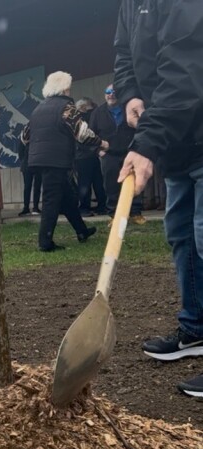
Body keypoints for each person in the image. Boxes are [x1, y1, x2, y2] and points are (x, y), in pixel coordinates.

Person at [114, 0, 203, 398]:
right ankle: (195, 329)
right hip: (179, 145)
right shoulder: (130, 3)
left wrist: (148, 141)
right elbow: (123, 51)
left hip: (194, 126)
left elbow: (186, 68)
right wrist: (131, 92)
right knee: (181, 233)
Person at [21, 71, 107, 252]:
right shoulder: (67, 108)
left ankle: (82, 231)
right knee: (52, 200)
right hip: (56, 160)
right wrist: (102, 143)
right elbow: (82, 133)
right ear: (66, 89)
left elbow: (24, 137)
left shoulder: (38, 109)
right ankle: (45, 243)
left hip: (38, 160)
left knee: (67, 197)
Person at [88, 84, 145, 224]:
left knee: (134, 182)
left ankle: (135, 212)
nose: (111, 95)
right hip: (109, 155)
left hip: (130, 152)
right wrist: (97, 150)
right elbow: (90, 134)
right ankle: (114, 215)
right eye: (108, 92)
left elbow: (140, 128)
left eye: (114, 92)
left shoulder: (128, 108)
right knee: (111, 185)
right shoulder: (97, 112)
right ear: (104, 94)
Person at [73, 97, 108, 217]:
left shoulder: (77, 120)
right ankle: (102, 206)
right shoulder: (92, 116)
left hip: (81, 155)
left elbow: (79, 139)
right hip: (93, 154)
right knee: (98, 181)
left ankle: (84, 208)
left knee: (84, 183)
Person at [17, 136, 41, 217]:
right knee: (28, 187)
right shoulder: (24, 136)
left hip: (36, 165)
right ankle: (27, 208)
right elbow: (20, 152)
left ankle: (35, 207)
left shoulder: (25, 136)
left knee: (35, 187)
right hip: (28, 165)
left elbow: (20, 153)